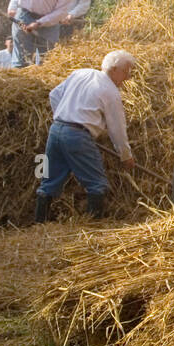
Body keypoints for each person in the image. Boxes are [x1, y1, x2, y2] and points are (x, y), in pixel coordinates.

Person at [35, 50, 136, 222]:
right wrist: (125, 155)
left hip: (56, 130)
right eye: (126, 71)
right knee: (97, 184)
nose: (128, 77)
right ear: (113, 69)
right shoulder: (110, 91)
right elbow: (117, 128)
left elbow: (54, 95)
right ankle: (93, 228)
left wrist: (63, 117)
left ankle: (39, 224)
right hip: (77, 137)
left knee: (49, 182)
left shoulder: (81, 73)